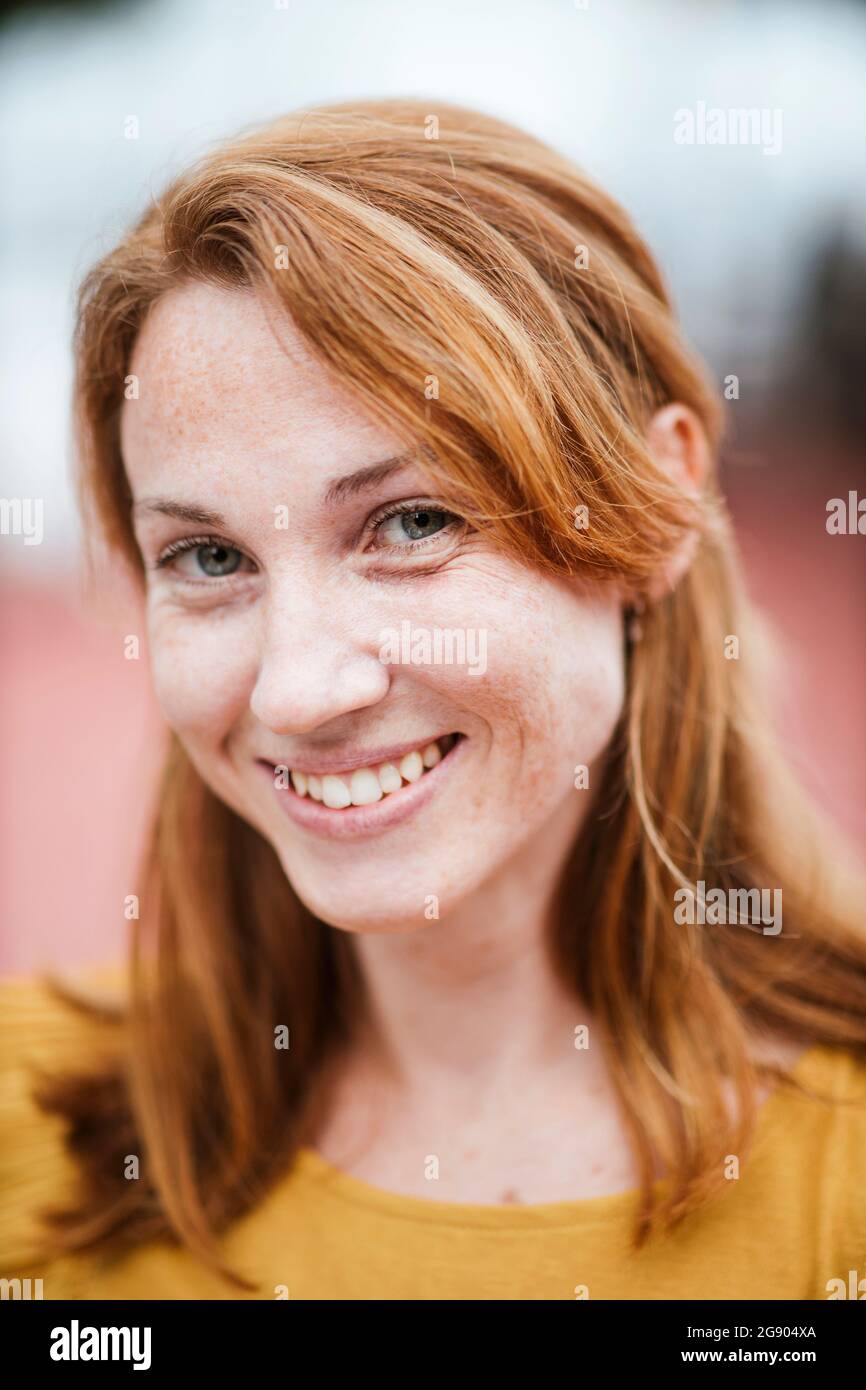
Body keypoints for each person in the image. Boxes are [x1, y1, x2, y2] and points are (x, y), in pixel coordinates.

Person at [2, 98, 865, 1301]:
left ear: (660, 499)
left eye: (412, 523)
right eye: (208, 558)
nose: (300, 690)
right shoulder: (23, 1125)